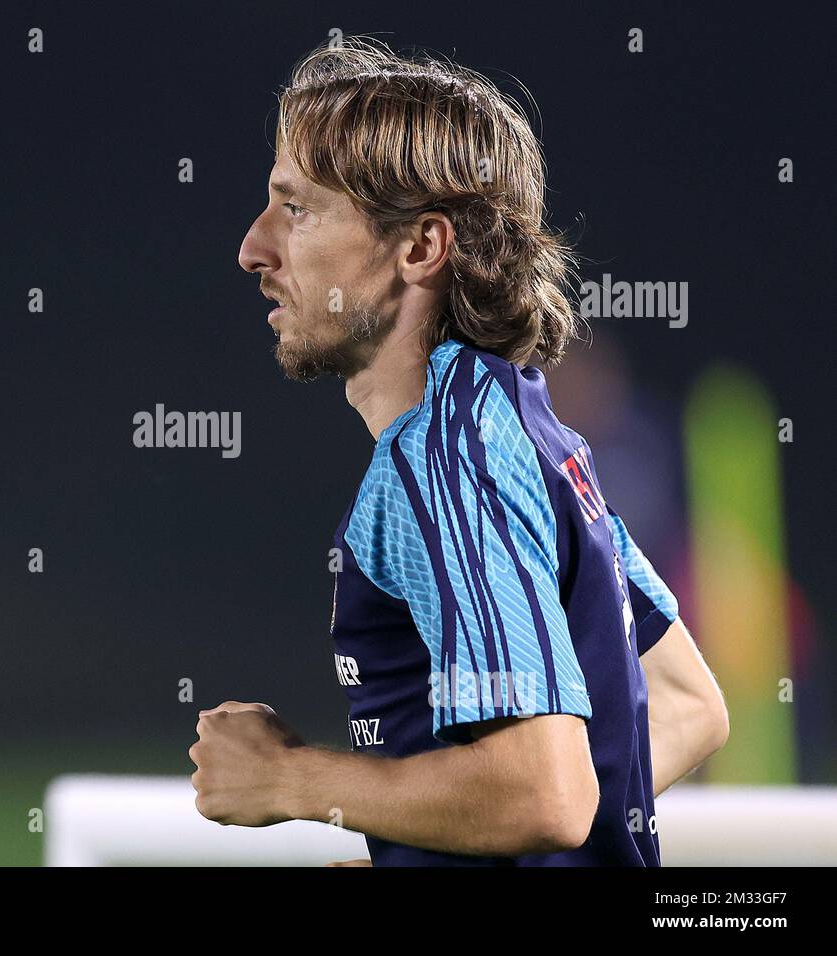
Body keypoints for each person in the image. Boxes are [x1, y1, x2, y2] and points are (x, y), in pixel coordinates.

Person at [189, 37, 729, 866]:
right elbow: (686, 704)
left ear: (419, 249)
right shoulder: (522, 425)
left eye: (296, 210)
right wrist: (437, 847)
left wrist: (291, 779)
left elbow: (548, 795)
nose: (254, 248)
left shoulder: (448, 454)